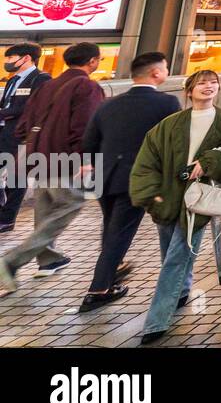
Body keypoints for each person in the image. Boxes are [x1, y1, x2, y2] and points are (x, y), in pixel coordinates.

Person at [130, 70, 221, 345]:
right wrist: (149, 195)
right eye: (202, 83)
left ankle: (157, 320)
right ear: (188, 90)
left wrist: (210, 159)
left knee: (176, 257)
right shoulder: (169, 125)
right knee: (172, 252)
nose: (208, 87)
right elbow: (147, 160)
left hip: (200, 197)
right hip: (167, 196)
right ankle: (182, 290)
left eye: (213, 83)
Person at [79, 52, 181, 312]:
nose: (166, 72)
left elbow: (89, 141)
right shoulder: (167, 103)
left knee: (111, 228)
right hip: (138, 179)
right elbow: (174, 142)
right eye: (166, 68)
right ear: (156, 73)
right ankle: (98, 289)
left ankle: (110, 276)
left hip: (105, 177)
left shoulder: (108, 103)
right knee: (119, 233)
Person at [0, 42, 103, 294]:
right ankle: (10, 261)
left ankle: (49, 259)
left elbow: (24, 124)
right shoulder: (87, 86)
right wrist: (87, 158)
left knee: (45, 211)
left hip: (38, 156)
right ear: (92, 61)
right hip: (67, 159)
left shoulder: (47, 85)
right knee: (68, 206)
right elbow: (85, 126)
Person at [0, 42, 51, 234]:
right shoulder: (12, 80)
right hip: (4, 133)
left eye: (11, 58)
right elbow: (6, 102)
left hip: (22, 136)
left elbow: (32, 107)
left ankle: (7, 219)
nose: (8, 62)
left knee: (17, 177)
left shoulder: (40, 79)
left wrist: (3, 113)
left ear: (27, 58)